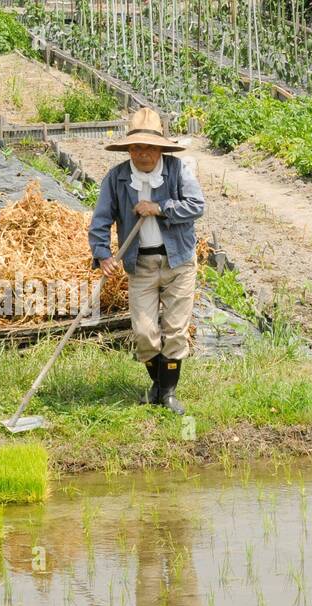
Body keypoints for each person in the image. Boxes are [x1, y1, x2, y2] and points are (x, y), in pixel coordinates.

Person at [89, 108, 205, 414]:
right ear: (129, 149)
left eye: (150, 148)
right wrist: (102, 255)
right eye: (137, 148)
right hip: (139, 263)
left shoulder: (178, 171)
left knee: (176, 330)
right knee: (144, 333)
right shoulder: (117, 179)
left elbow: (196, 206)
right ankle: (159, 387)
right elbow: (100, 220)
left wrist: (160, 207)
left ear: (160, 149)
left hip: (177, 260)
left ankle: (166, 394)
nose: (143, 154)